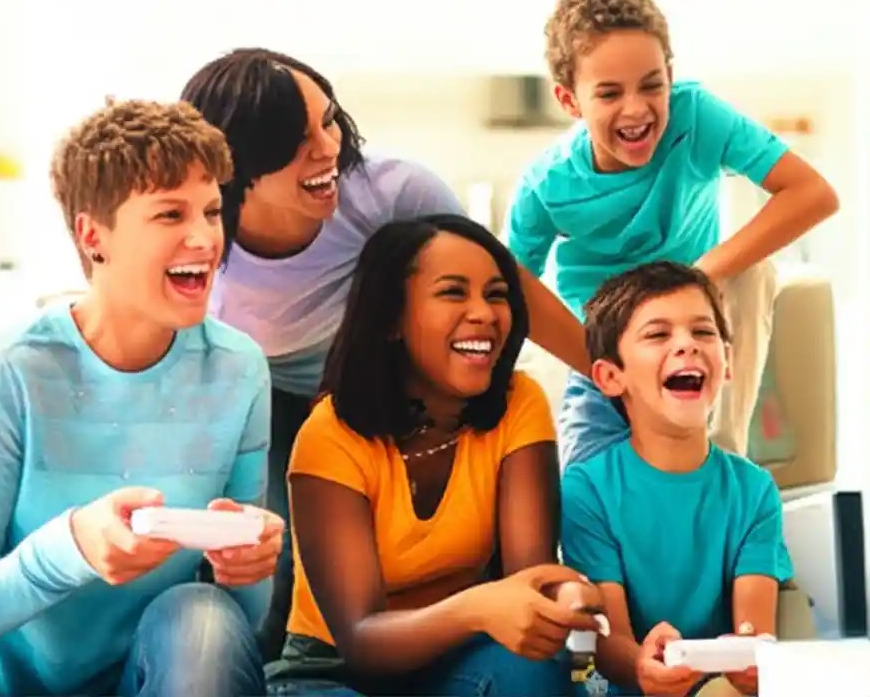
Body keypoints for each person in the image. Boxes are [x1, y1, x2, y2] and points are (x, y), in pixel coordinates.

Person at [180, 49, 593, 656]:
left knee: (459, 560)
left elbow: (500, 279)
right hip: (266, 400)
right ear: (237, 162)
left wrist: (610, 373)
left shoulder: (388, 191)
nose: (327, 147)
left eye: (329, 121)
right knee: (275, 576)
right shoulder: (205, 229)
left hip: (375, 387)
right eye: (297, 140)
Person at [0, 99, 284, 696]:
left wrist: (249, 566)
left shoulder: (238, 368)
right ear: (93, 236)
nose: (204, 237)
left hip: (150, 679)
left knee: (201, 616)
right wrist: (70, 548)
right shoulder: (16, 369)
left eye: (212, 211)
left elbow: (243, 622)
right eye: (170, 214)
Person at [505, 0, 841, 469]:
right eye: (609, 93)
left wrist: (701, 275)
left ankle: (720, 452)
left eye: (651, 85)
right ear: (570, 100)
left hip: (694, 319)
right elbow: (509, 284)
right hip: (609, 350)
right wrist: (603, 366)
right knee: (586, 488)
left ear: (670, 75)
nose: (636, 109)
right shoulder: (546, 184)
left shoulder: (696, 117)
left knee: (755, 272)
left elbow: (814, 193)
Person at [265, 214, 605, 697]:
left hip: (461, 661)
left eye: (496, 294)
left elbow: (528, 578)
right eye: (452, 293)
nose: (484, 313)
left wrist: (565, 597)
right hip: (334, 670)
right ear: (391, 320)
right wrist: (476, 608)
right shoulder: (330, 434)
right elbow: (360, 638)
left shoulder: (519, 402)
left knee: (533, 668)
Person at [561, 261, 794, 697]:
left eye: (703, 332)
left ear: (727, 362)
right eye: (657, 334)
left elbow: (755, 633)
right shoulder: (585, 490)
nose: (687, 344)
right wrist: (641, 665)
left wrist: (753, 662)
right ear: (610, 377)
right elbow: (607, 643)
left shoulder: (755, 491)